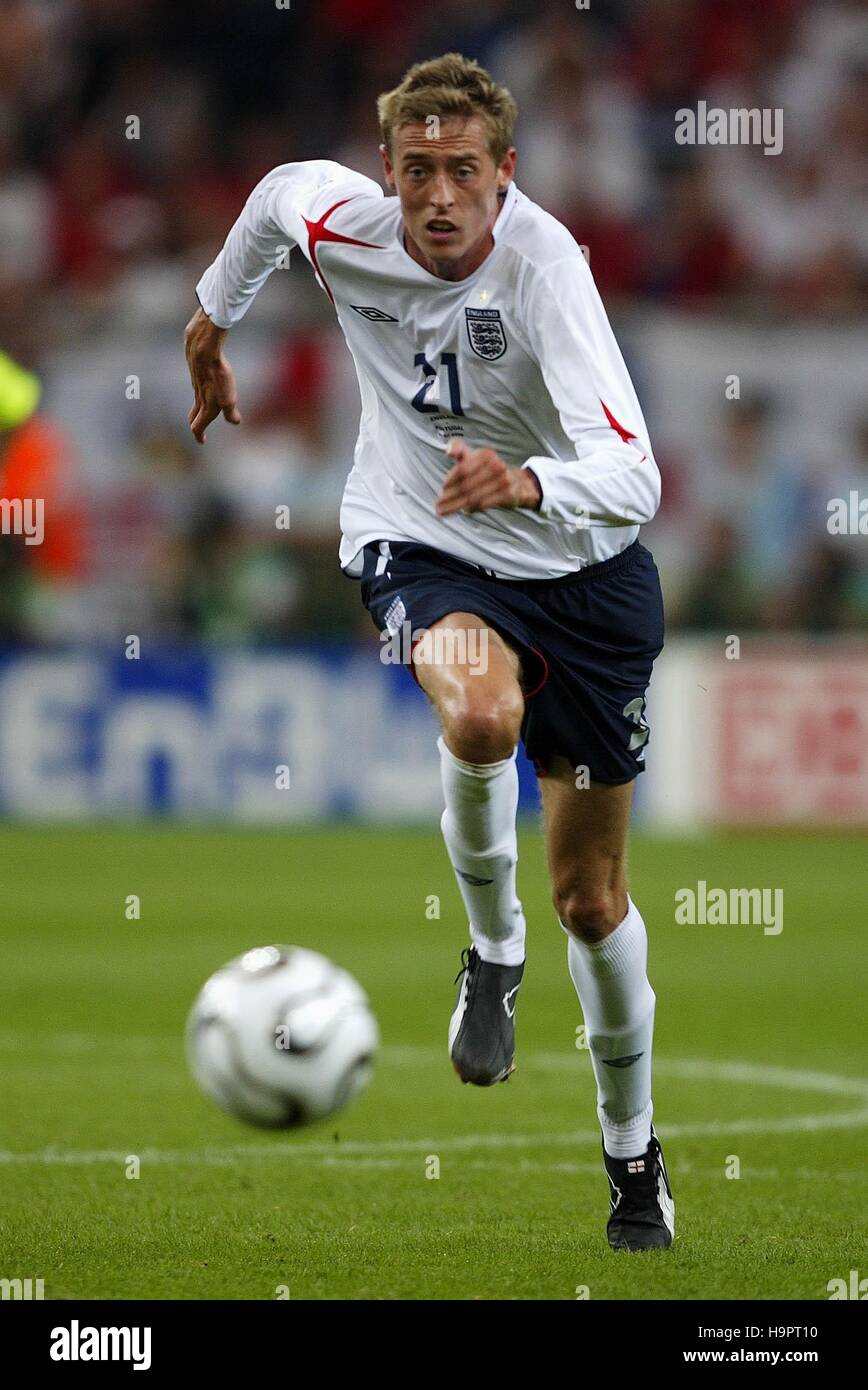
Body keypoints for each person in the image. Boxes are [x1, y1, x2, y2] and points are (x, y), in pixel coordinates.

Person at [184, 53, 673, 1251]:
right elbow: (266, 205)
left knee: (594, 899)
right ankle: (493, 954)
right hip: (420, 536)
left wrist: (531, 477)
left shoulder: (548, 270)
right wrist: (208, 323)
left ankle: (632, 1155)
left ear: (506, 175)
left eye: (463, 171)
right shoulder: (338, 217)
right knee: (479, 717)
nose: (438, 197)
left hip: (582, 575)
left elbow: (638, 477)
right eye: (417, 172)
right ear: (388, 171)